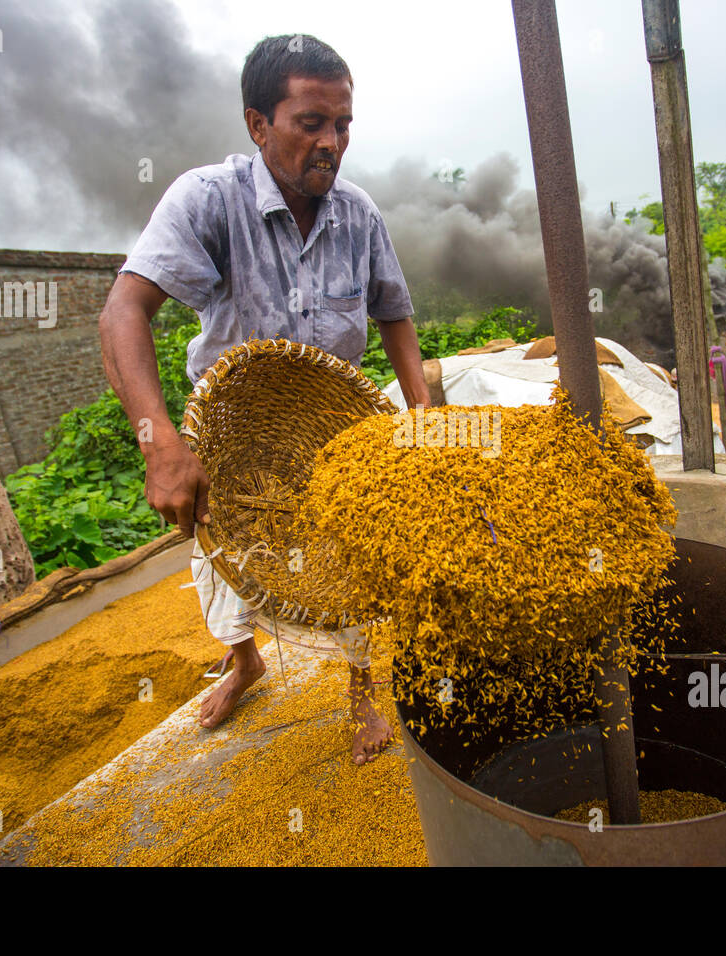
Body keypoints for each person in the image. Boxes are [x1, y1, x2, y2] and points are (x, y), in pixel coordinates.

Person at [98, 34, 431, 765]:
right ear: (257, 124)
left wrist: (426, 421)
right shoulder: (209, 200)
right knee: (225, 562)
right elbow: (122, 312)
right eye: (310, 122)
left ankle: (361, 690)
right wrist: (161, 444)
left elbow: (394, 315)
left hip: (334, 427)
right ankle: (245, 660)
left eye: (342, 125)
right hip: (233, 428)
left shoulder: (359, 213)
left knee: (353, 563)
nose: (331, 143)